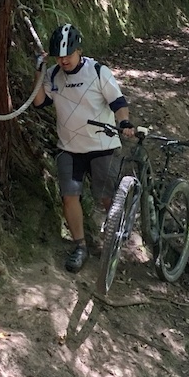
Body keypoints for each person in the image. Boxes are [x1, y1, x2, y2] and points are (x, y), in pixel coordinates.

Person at [33, 24, 135, 273]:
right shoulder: (54, 75)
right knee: (69, 196)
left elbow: (118, 102)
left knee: (106, 196)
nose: (64, 59)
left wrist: (124, 121)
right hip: (69, 147)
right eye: (59, 55)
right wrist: (39, 71)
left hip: (102, 145)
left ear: (79, 50)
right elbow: (38, 102)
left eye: (68, 54)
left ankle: (116, 235)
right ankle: (80, 246)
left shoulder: (98, 71)